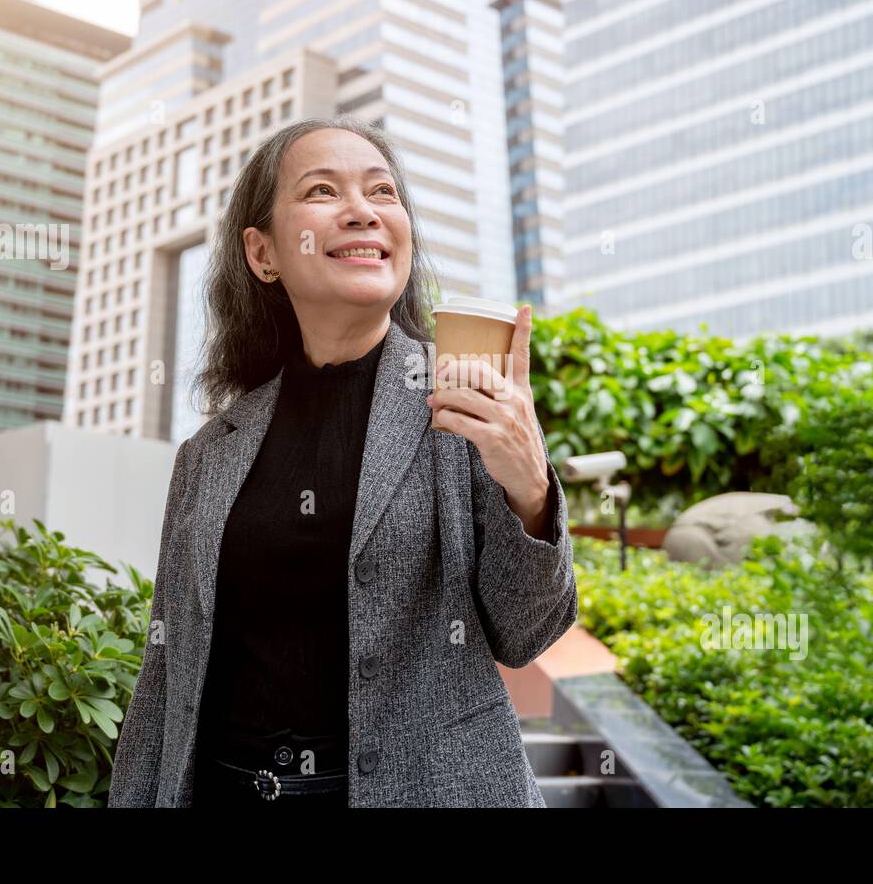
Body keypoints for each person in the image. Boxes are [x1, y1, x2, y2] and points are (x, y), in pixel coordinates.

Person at [108, 116, 576, 808]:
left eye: (383, 192)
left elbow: (526, 633)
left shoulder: (465, 406)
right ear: (263, 253)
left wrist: (529, 486)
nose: (364, 210)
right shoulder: (209, 453)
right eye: (324, 190)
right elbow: (166, 667)